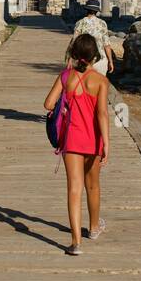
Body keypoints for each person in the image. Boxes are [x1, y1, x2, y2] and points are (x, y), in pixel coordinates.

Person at [43, 33, 109, 255]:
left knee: (74, 189)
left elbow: (48, 103)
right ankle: (93, 227)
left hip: (71, 138)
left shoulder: (65, 77)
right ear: (94, 57)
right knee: (93, 185)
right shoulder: (100, 81)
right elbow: (102, 114)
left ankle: (76, 243)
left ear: (74, 54)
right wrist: (106, 143)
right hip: (93, 139)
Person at [70, 0, 116, 77]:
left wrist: (71, 59)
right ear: (97, 11)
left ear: (86, 10)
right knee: (99, 84)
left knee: (84, 85)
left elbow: (74, 42)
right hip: (100, 59)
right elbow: (106, 44)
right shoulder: (102, 23)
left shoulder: (80, 23)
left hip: (84, 59)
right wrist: (110, 61)